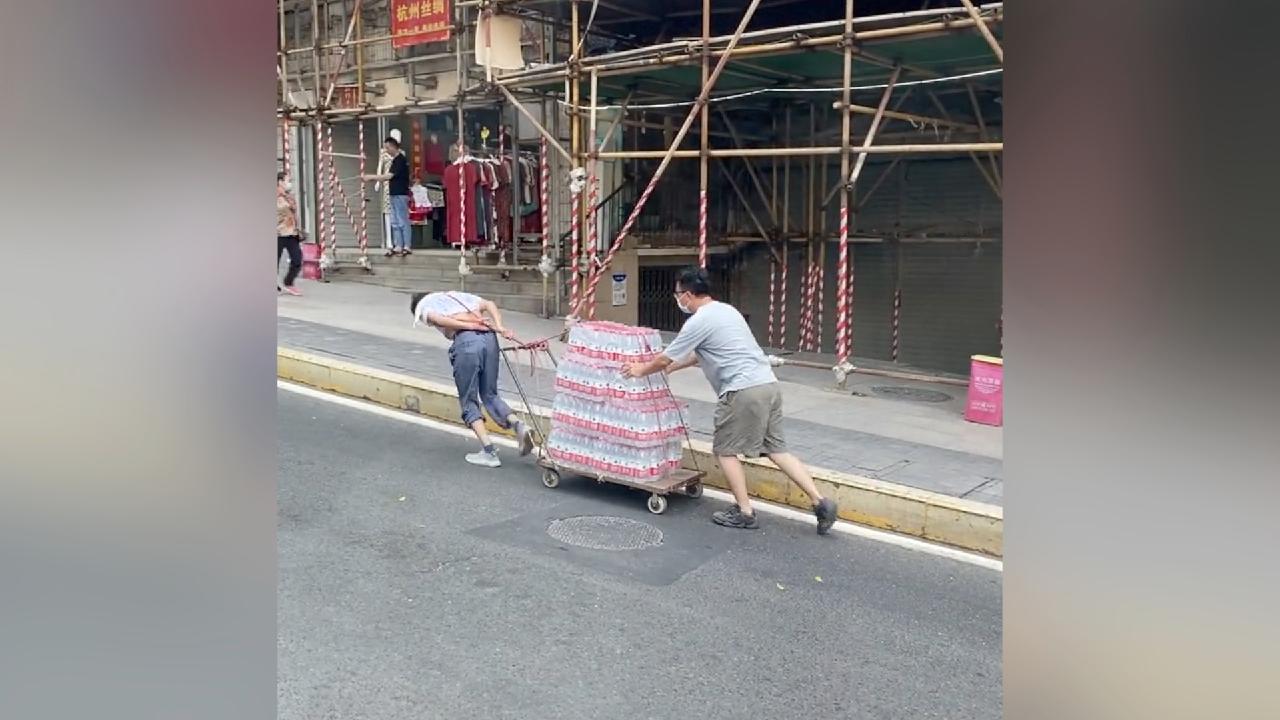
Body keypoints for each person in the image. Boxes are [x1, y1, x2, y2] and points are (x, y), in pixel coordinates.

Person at [623, 267, 838, 533]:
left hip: (742, 392)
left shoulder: (698, 321)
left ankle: (745, 511)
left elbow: (666, 356)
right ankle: (821, 502)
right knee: (776, 449)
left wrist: (640, 370)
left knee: (724, 450)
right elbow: (700, 353)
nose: (677, 300)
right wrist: (671, 369)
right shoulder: (727, 311)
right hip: (767, 386)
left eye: (678, 295)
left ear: (688, 295)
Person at [411, 290, 535, 467]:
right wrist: (499, 326)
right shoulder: (456, 295)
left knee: (468, 400)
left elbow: (437, 319)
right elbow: (489, 304)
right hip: (489, 338)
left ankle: (489, 452)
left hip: (467, 342)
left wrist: (468, 326)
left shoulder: (424, 306)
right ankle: (519, 426)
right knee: (490, 394)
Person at [363, 136, 411, 257]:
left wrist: (371, 177)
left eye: (387, 147)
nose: (386, 150)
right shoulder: (395, 160)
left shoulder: (401, 159)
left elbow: (389, 176)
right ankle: (398, 245)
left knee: (402, 219)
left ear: (393, 146)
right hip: (393, 193)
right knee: (394, 220)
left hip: (400, 194)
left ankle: (406, 245)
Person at [276, 171, 304, 296]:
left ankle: (289, 282)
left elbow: (293, 212)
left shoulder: (289, 196)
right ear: (280, 182)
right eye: (288, 180)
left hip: (291, 233)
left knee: (297, 259)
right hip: (277, 233)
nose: (290, 183)